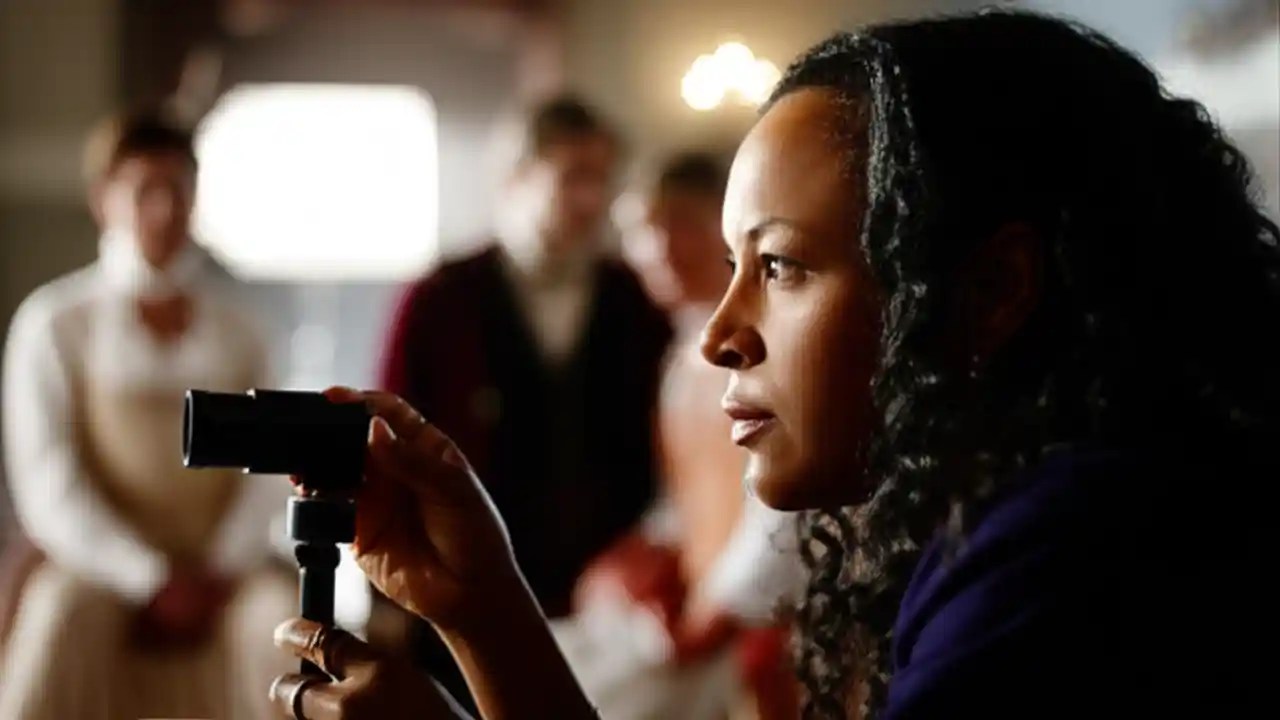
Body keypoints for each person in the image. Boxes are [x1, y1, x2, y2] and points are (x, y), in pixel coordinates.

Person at [269, 9, 1276, 720]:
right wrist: (486, 608)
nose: (717, 335)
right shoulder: (995, 519)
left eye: (781, 265)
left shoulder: (1068, 560)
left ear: (992, 286)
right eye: (727, 267)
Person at [375, 95, 671, 706]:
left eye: (603, 180)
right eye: (573, 177)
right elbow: (387, 445)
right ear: (516, 178)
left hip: (602, 597)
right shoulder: (439, 297)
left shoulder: (635, 298)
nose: (592, 200)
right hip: (464, 582)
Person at [0, 108, 295, 720]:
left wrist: (216, 568)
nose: (163, 210)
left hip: (224, 571)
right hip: (100, 568)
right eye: (144, 191)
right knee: (58, 623)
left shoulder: (244, 331)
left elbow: (269, 472)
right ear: (102, 201)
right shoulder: (54, 323)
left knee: (282, 632)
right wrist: (148, 578)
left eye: (178, 190)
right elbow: (47, 484)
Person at [562, 151, 802, 719]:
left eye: (681, 225)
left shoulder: (768, 348)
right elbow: (688, 494)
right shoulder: (677, 359)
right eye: (645, 231)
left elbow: (787, 505)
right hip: (700, 607)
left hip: (763, 624)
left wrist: (716, 613)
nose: (662, 249)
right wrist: (635, 557)